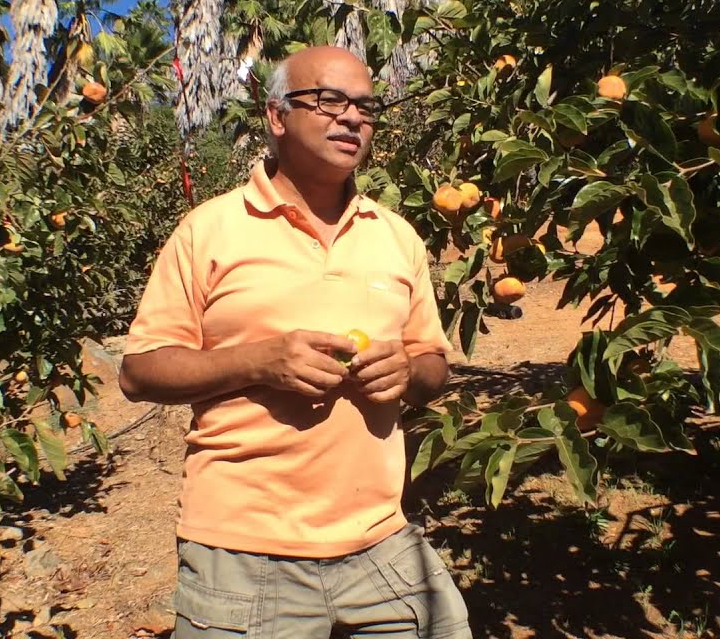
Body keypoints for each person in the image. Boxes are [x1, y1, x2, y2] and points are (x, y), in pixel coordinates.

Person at [119, 46, 472, 639]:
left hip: (382, 540)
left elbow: (434, 365)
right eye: (329, 100)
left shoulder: (396, 236)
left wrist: (406, 373)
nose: (352, 118)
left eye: (365, 105)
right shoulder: (211, 229)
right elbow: (139, 372)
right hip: (243, 551)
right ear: (277, 116)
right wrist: (257, 360)